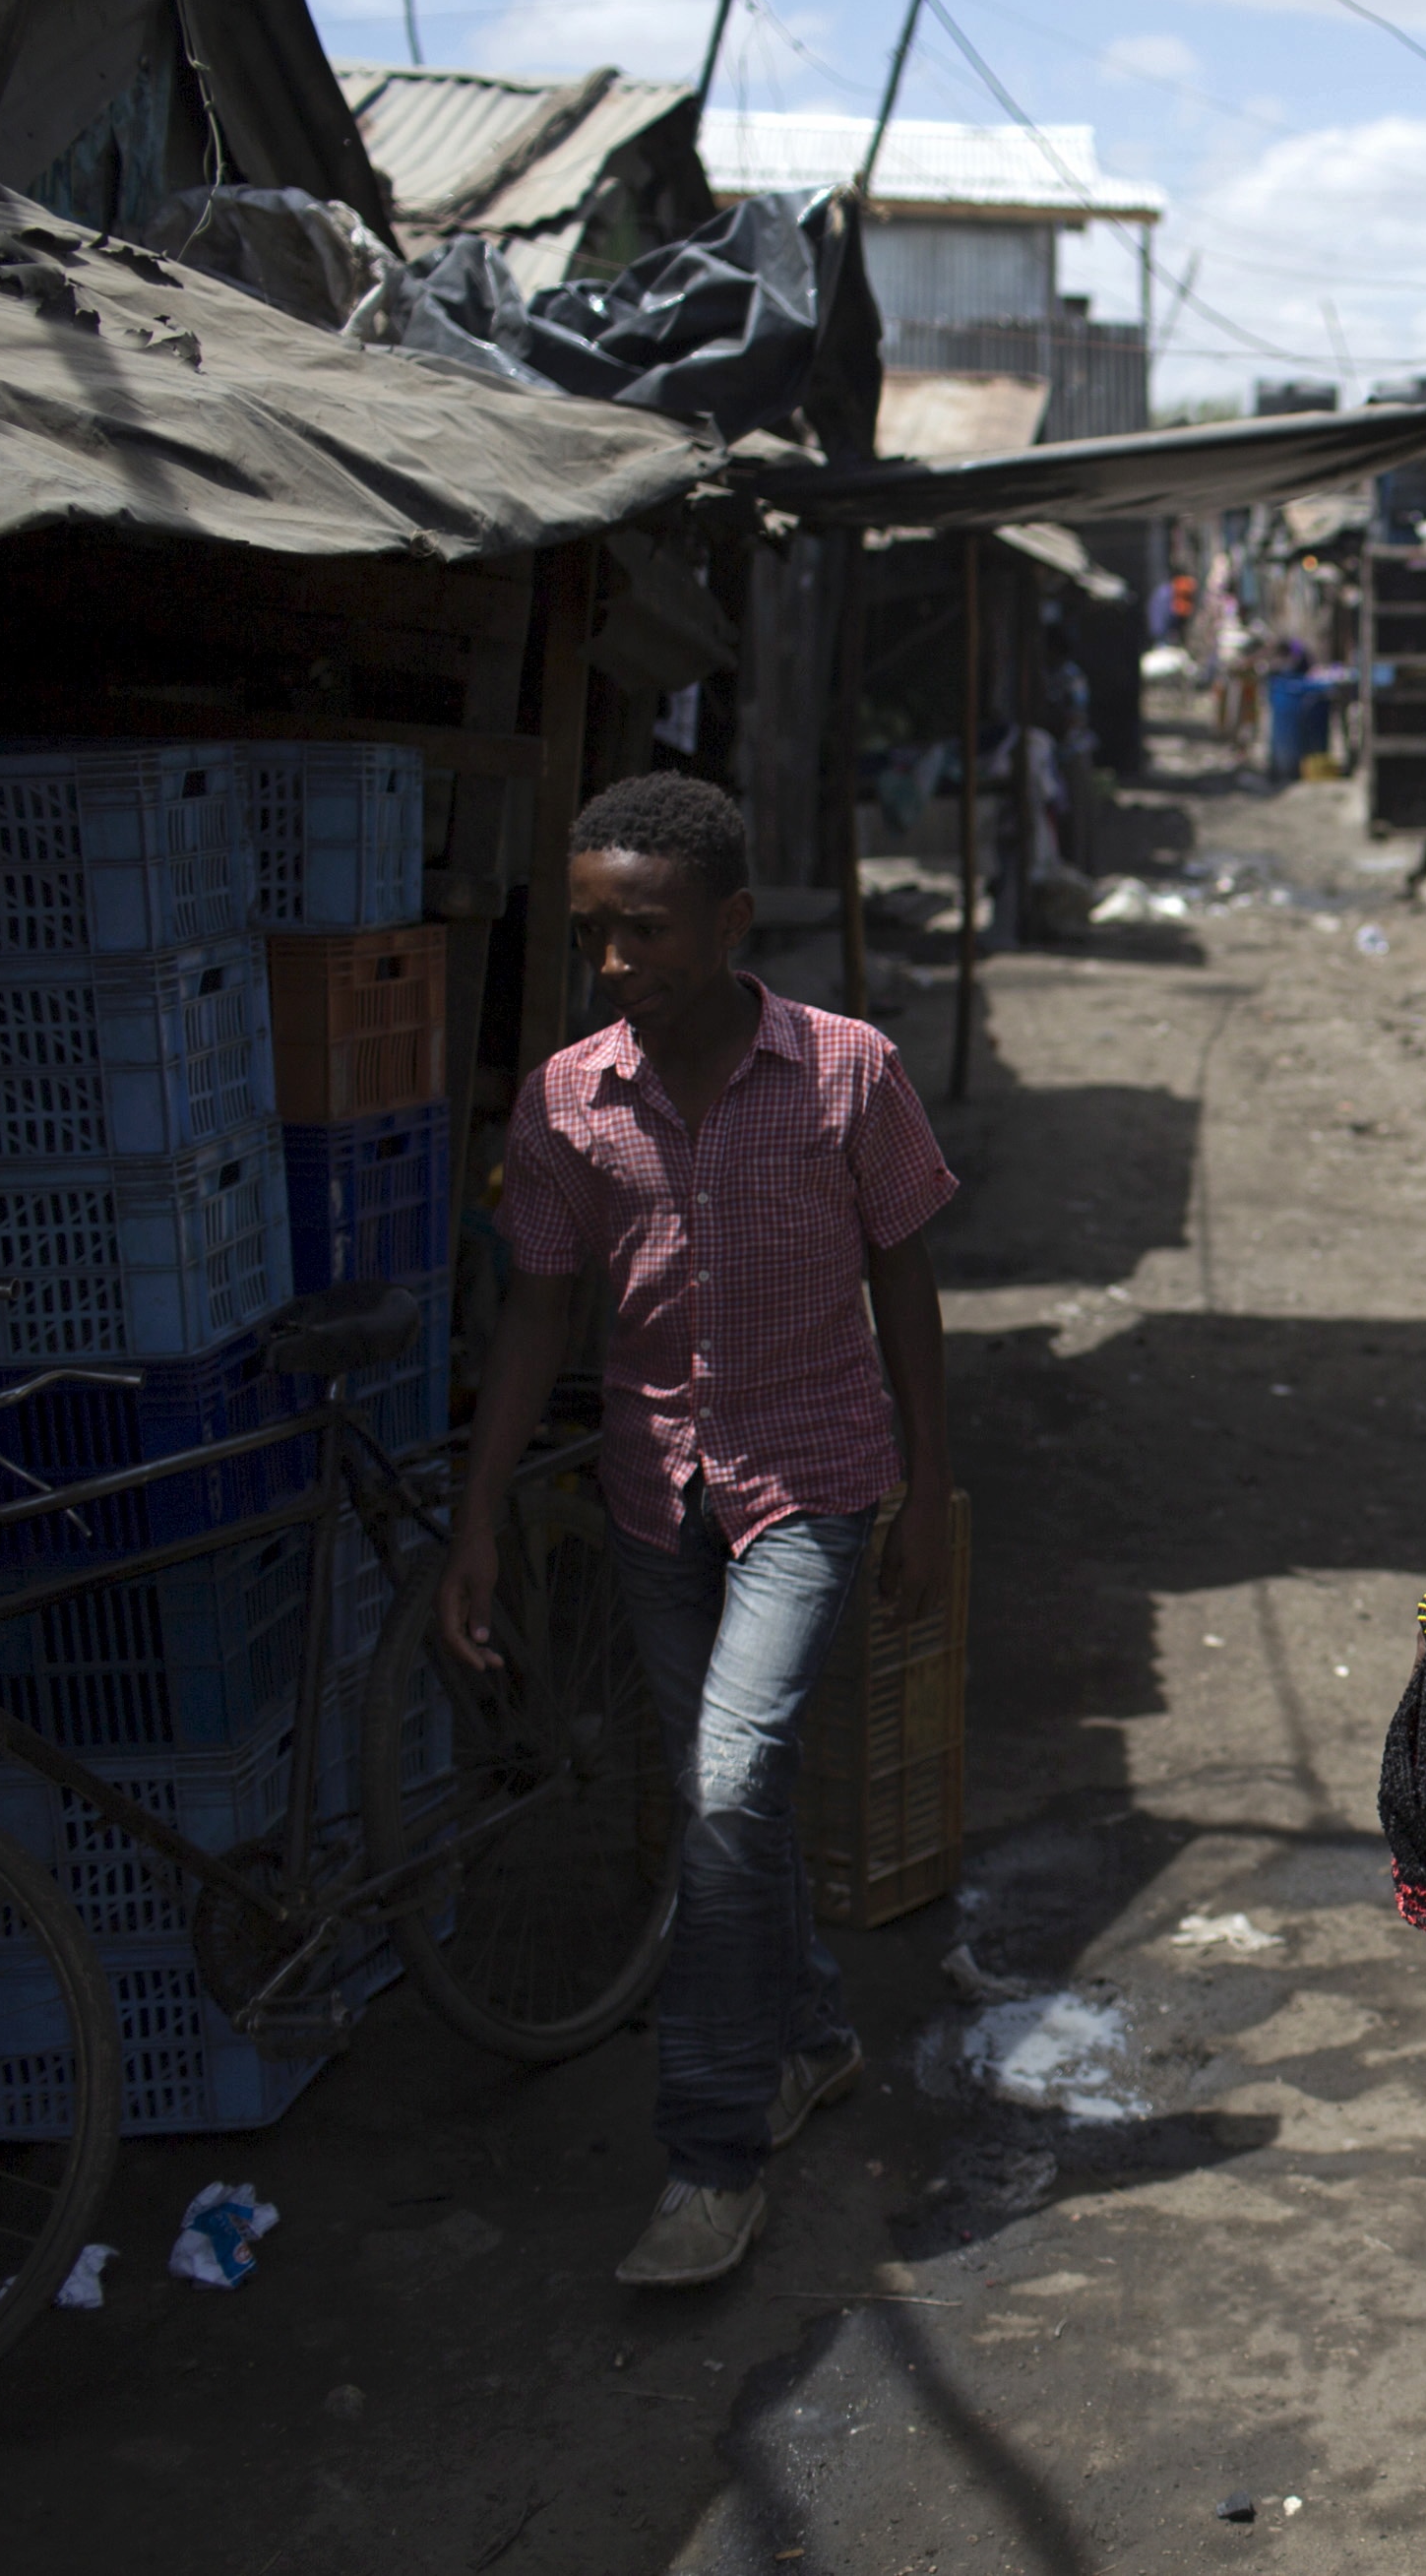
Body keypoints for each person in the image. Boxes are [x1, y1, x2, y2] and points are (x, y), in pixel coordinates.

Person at [442, 775, 960, 2291]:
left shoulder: (848, 1074)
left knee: (730, 1789)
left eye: (646, 931)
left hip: (813, 1481)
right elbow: (541, 1311)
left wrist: (927, 1487)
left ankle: (710, 2147)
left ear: (732, 925)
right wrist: (479, 1514)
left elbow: (907, 1284)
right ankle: (806, 2034)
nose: (616, 962)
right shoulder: (564, 1101)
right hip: (650, 1488)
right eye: (594, 932)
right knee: (730, 1795)